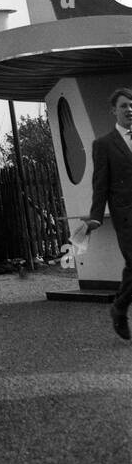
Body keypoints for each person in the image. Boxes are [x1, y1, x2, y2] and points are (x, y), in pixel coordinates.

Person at [84, 87, 132, 341]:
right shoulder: (103, 144)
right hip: (127, 216)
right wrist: (95, 215)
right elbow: (100, 184)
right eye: (124, 105)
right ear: (113, 111)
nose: (129, 110)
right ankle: (120, 308)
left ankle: (119, 306)